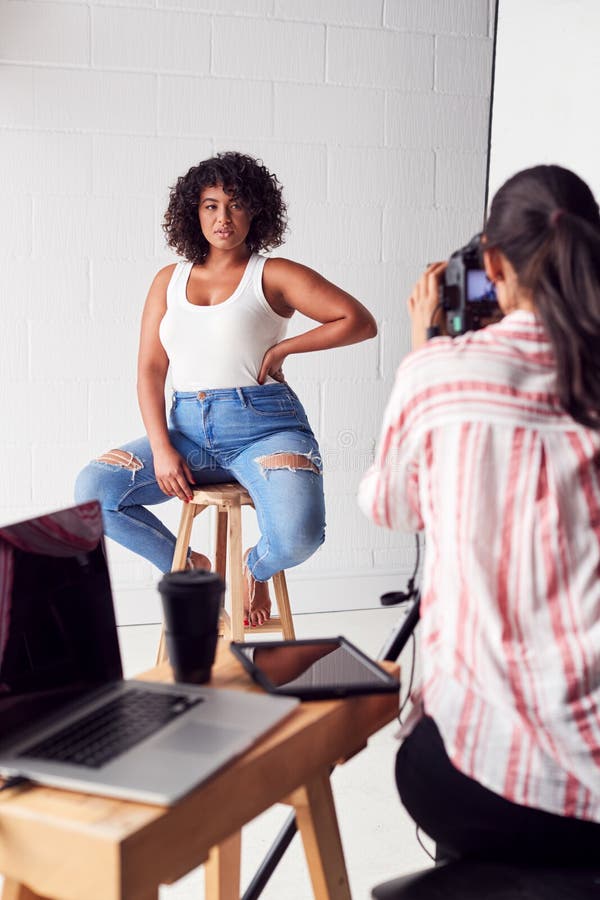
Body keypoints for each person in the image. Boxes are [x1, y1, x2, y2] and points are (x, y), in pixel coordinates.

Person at [359, 164, 600, 863]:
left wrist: (423, 352)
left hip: (482, 784)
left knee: (438, 763)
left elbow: (390, 505)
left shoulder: (440, 372)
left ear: (492, 264)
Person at [76, 151, 376, 627]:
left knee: (300, 536)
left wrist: (282, 351)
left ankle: (255, 567)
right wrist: (160, 447)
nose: (223, 218)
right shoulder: (167, 281)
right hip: (187, 434)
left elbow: (359, 321)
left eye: (235, 205)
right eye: (211, 205)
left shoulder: (272, 274)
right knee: (94, 490)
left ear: (255, 210)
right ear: (193, 213)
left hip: (266, 428)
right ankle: (194, 567)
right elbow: (151, 370)